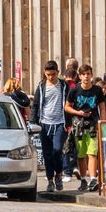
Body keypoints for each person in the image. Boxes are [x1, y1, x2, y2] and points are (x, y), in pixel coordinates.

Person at [64, 65, 104, 191]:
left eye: (88, 74)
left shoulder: (97, 90)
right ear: (80, 76)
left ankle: (93, 179)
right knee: (81, 155)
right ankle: (83, 180)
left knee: (92, 153)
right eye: (83, 74)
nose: (86, 76)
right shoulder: (74, 90)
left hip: (93, 125)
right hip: (78, 125)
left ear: (91, 75)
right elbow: (67, 107)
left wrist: (102, 123)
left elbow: (102, 108)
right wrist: (79, 112)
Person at [34, 60, 69, 193]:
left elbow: (69, 103)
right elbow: (36, 104)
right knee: (47, 154)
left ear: (58, 72)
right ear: (44, 73)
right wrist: (33, 122)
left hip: (60, 123)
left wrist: (69, 123)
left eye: (53, 74)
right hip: (44, 124)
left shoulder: (63, 85)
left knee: (57, 150)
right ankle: (50, 181)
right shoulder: (41, 86)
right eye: (48, 74)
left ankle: (59, 175)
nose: (51, 77)